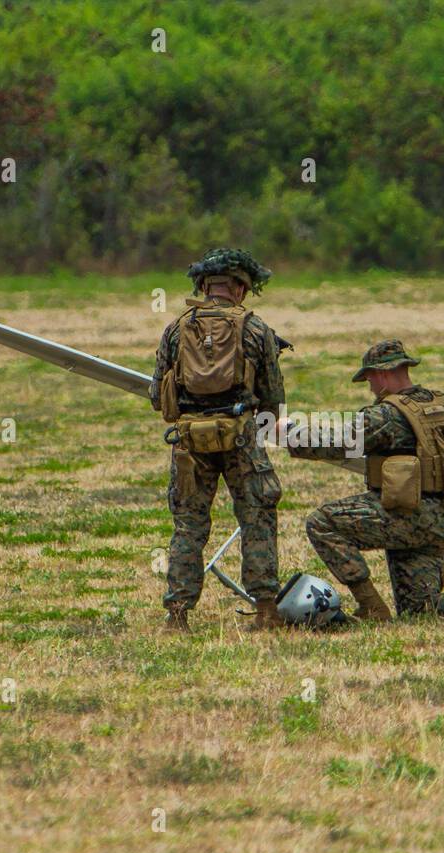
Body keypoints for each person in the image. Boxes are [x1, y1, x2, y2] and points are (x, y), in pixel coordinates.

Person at [287, 340, 444, 621]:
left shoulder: (387, 414)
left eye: (369, 379)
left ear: (382, 374)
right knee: (419, 610)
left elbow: (336, 442)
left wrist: (290, 433)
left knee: (322, 522)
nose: (370, 387)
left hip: (405, 516)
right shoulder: (443, 405)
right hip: (442, 522)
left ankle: (371, 606)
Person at [149, 248, 288, 631]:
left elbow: (156, 394)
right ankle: (265, 610)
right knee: (257, 518)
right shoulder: (257, 329)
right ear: (241, 288)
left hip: (190, 444)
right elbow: (273, 400)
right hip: (242, 438)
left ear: (204, 285)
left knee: (189, 528)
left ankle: (176, 616)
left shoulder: (176, 329)